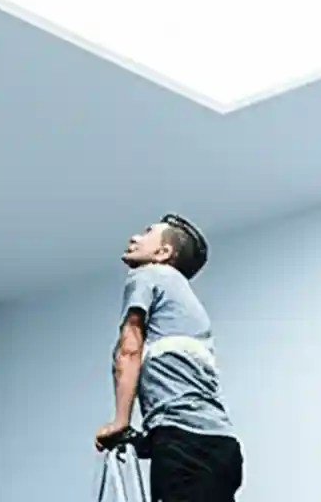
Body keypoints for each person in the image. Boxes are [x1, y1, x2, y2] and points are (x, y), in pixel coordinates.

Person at [94, 213, 243, 501]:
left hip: (184, 447)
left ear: (163, 253)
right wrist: (148, 440)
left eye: (147, 233)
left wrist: (120, 423)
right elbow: (185, 395)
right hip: (222, 448)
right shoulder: (189, 306)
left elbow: (129, 350)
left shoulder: (146, 275)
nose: (134, 237)